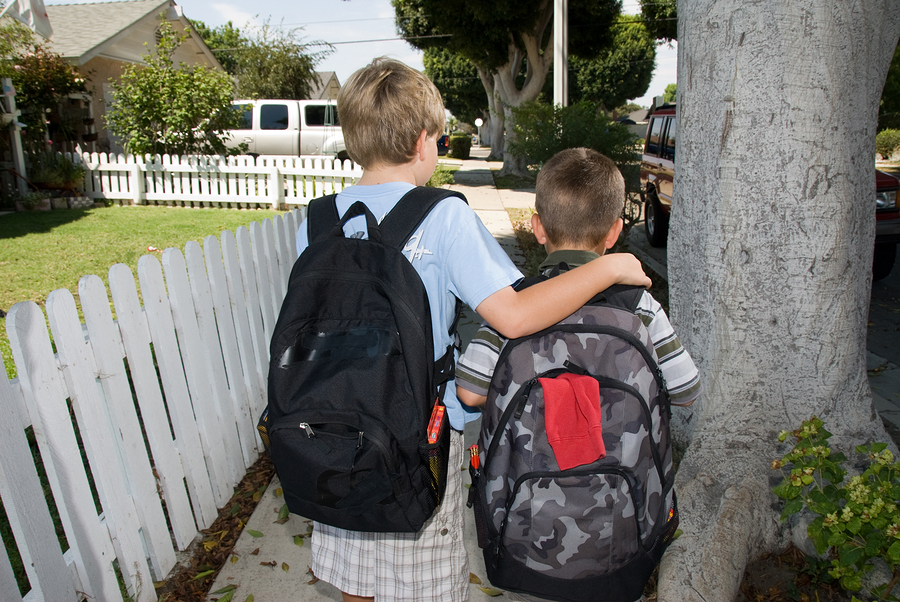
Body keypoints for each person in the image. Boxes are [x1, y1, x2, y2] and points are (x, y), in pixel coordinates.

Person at [295, 59, 651, 602]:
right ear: (423, 142)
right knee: (424, 582)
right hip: (420, 441)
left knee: (356, 575)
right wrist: (606, 267)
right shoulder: (443, 217)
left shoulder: (318, 220)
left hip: (338, 433)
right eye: (438, 138)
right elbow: (515, 314)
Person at [457, 146, 701, 410]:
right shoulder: (640, 305)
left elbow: (470, 392)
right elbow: (686, 391)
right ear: (614, 232)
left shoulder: (518, 303)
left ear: (538, 228)